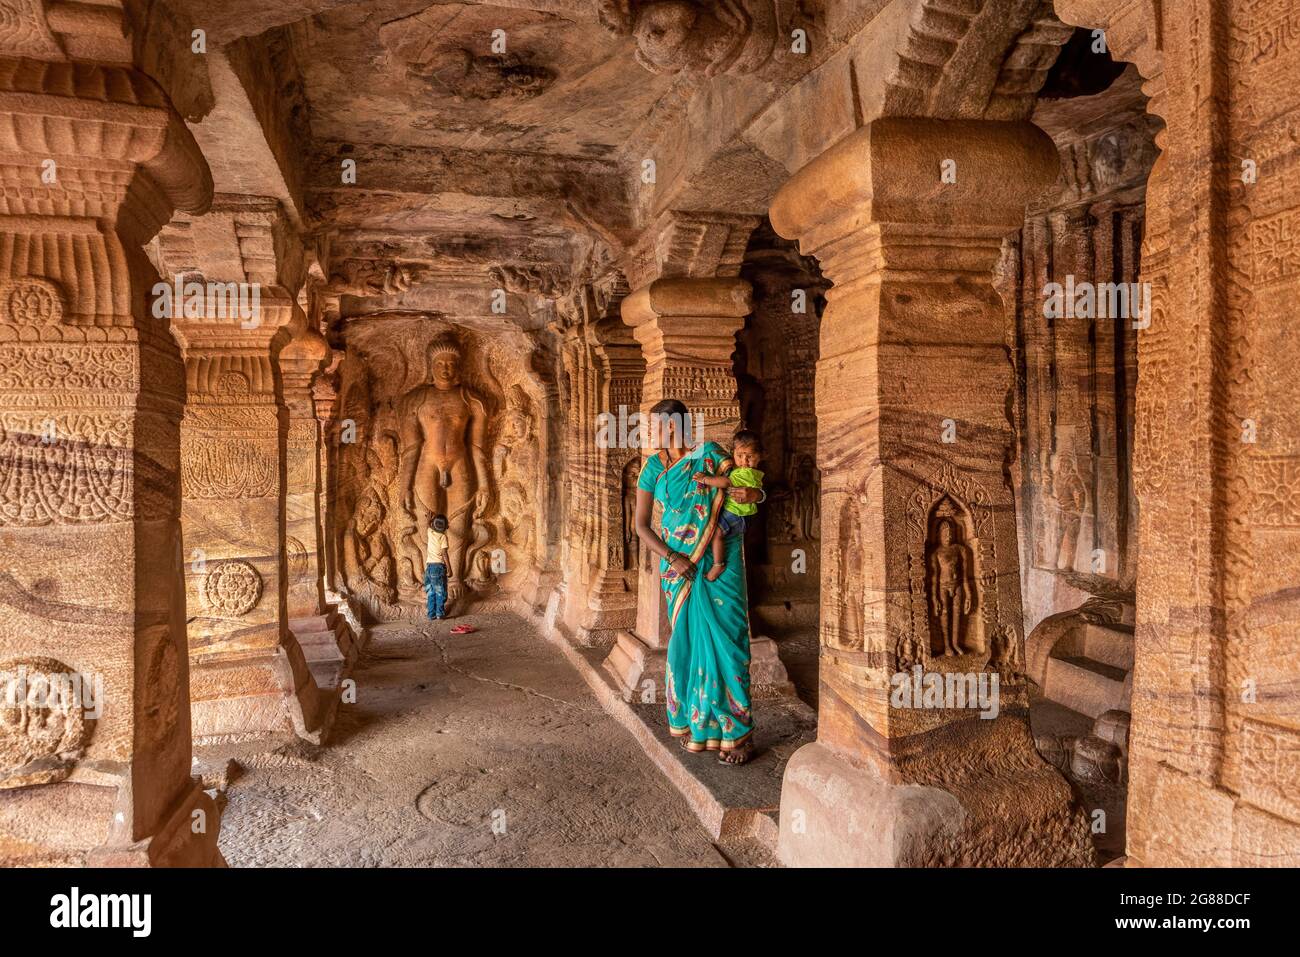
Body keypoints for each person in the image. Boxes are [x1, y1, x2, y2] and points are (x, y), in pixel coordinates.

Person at [633, 400, 764, 765]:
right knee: (687, 645)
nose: (650, 433)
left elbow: (746, 481)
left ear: (673, 425)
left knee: (729, 640)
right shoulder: (653, 468)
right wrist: (672, 556)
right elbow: (641, 526)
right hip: (679, 568)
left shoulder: (709, 454)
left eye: (654, 426)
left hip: (722, 560)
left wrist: (757, 495)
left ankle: (738, 734)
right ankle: (700, 723)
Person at [692, 429, 763, 582]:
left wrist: (705, 479)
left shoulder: (747, 473)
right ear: (732, 454)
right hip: (738, 513)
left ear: (760, 457)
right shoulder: (743, 470)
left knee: (716, 532)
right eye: (739, 456)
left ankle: (718, 565)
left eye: (750, 456)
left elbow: (726, 482)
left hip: (737, 514)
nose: (744, 461)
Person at [424, 513, 450, 620]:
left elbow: (428, 525)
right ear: (446, 527)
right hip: (438, 567)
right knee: (440, 591)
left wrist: (429, 519)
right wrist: (449, 568)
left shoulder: (430, 532)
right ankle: (439, 613)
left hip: (429, 568)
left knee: (430, 591)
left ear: (433, 525)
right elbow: (444, 553)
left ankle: (431, 614)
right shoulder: (443, 537)